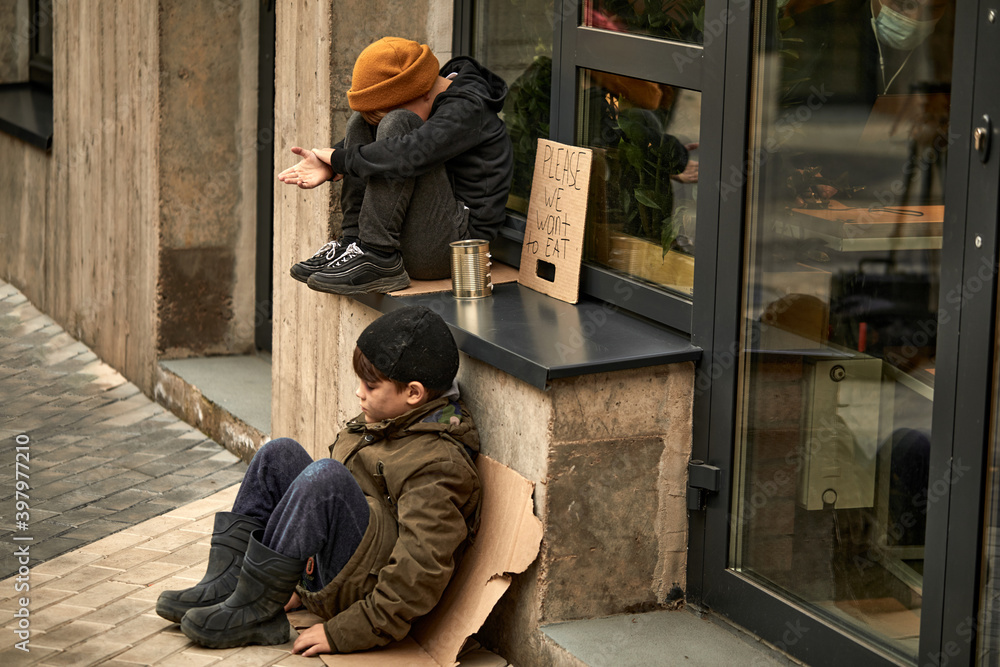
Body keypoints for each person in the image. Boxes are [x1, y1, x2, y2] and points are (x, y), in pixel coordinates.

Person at [155, 305, 482, 656]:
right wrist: (295, 582)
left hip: (361, 592)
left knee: (326, 479)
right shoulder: (392, 419)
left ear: (414, 393)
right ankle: (232, 586)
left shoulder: (439, 464)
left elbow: (421, 569)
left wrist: (346, 631)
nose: (359, 393)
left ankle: (257, 613)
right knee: (278, 454)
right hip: (335, 567)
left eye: (370, 386)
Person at [278, 37, 513, 294]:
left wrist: (341, 160)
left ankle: (378, 254)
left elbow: (407, 152)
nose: (385, 123)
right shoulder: (433, 91)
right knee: (360, 122)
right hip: (424, 236)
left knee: (400, 122)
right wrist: (332, 164)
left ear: (423, 91)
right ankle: (355, 244)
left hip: (456, 251)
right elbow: (379, 148)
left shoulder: (467, 109)